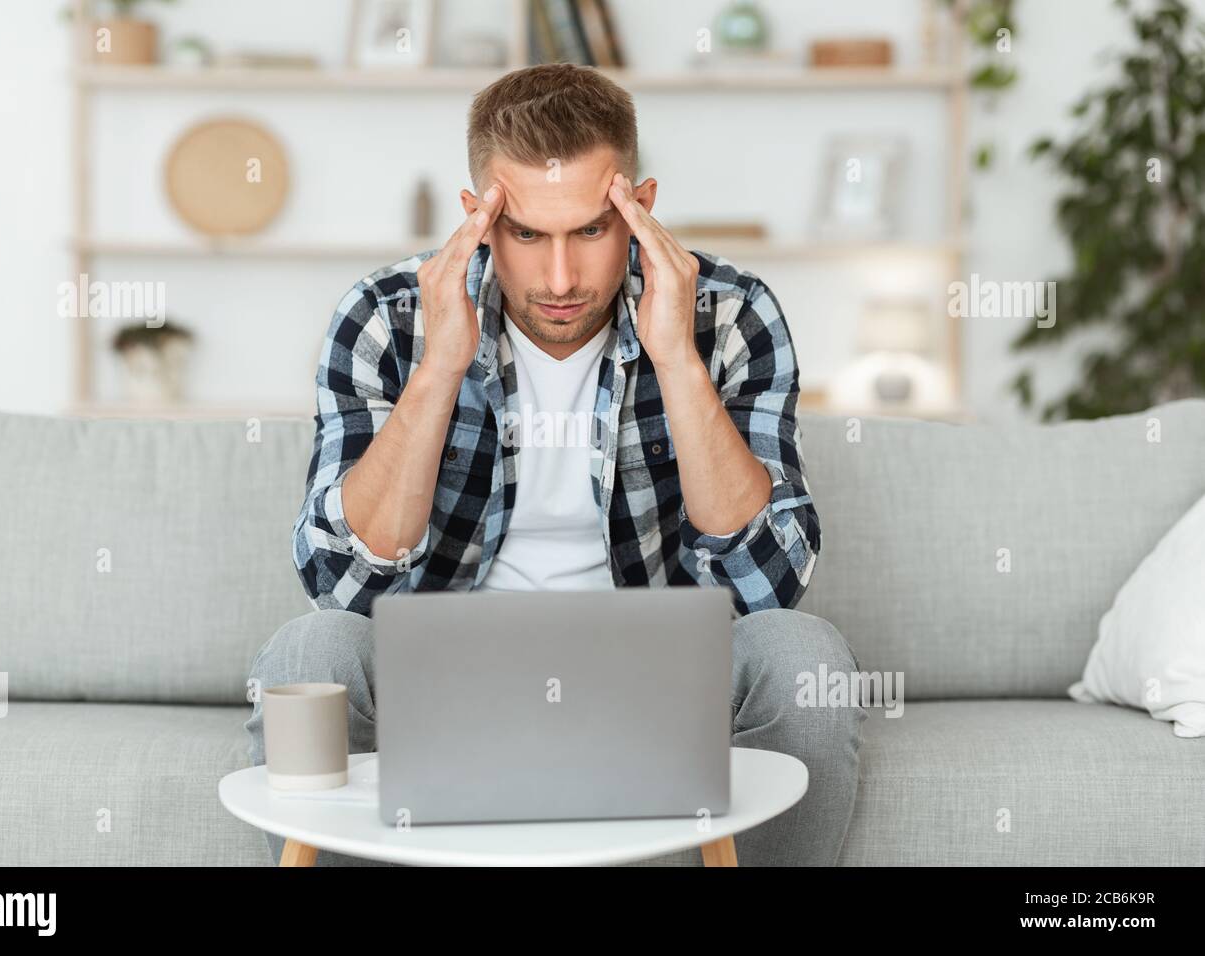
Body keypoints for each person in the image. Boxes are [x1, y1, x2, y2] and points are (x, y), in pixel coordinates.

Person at [245, 62, 866, 867]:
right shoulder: (387, 315)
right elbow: (342, 585)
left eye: (592, 231)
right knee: (308, 653)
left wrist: (676, 357)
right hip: (445, 685)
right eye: (527, 234)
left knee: (805, 653)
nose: (562, 279)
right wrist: (437, 371)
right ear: (477, 218)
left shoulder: (730, 313)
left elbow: (768, 582)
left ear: (639, 209)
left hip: (654, 692)